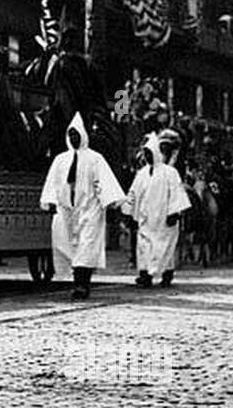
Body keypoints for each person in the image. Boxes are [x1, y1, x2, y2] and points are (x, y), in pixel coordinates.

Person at [41, 112, 126, 300]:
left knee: (86, 246)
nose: (74, 138)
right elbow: (52, 182)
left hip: (89, 209)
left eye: (77, 134)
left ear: (83, 136)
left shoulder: (95, 159)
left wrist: (111, 202)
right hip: (66, 210)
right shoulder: (60, 160)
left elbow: (104, 182)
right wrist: (50, 202)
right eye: (71, 135)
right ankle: (75, 279)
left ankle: (82, 284)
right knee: (67, 245)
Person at [123, 132, 192, 288]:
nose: (147, 156)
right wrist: (129, 211)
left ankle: (167, 273)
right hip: (146, 218)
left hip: (164, 218)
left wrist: (174, 211)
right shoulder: (141, 174)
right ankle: (145, 274)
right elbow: (134, 193)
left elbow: (176, 192)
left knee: (164, 247)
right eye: (145, 153)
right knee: (144, 247)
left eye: (150, 153)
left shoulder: (170, 172)